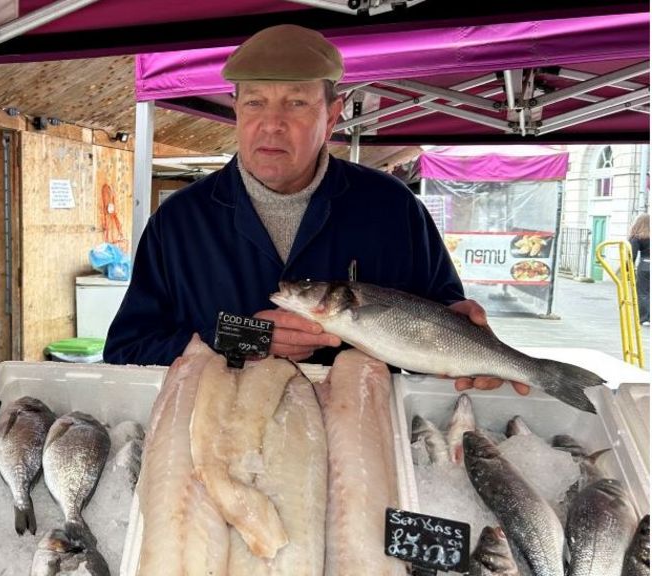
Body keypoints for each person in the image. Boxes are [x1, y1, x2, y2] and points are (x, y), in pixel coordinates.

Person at [104, 24, 526, 395]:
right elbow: (127, 350)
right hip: (224, 438)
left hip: (360, 438)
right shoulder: (179, 222)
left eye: (296, 103)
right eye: (254, 103)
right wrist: (243, 338)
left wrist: (464, 334)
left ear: (332, 116)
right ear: (235, 111)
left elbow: (444, 317)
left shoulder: (392, 208)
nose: (271, 123)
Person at [629, 213, 650, 325]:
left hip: (646, 265)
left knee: (643, 293)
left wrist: (628, 269)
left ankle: (645, 318)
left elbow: (632, 254)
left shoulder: (637, 237)